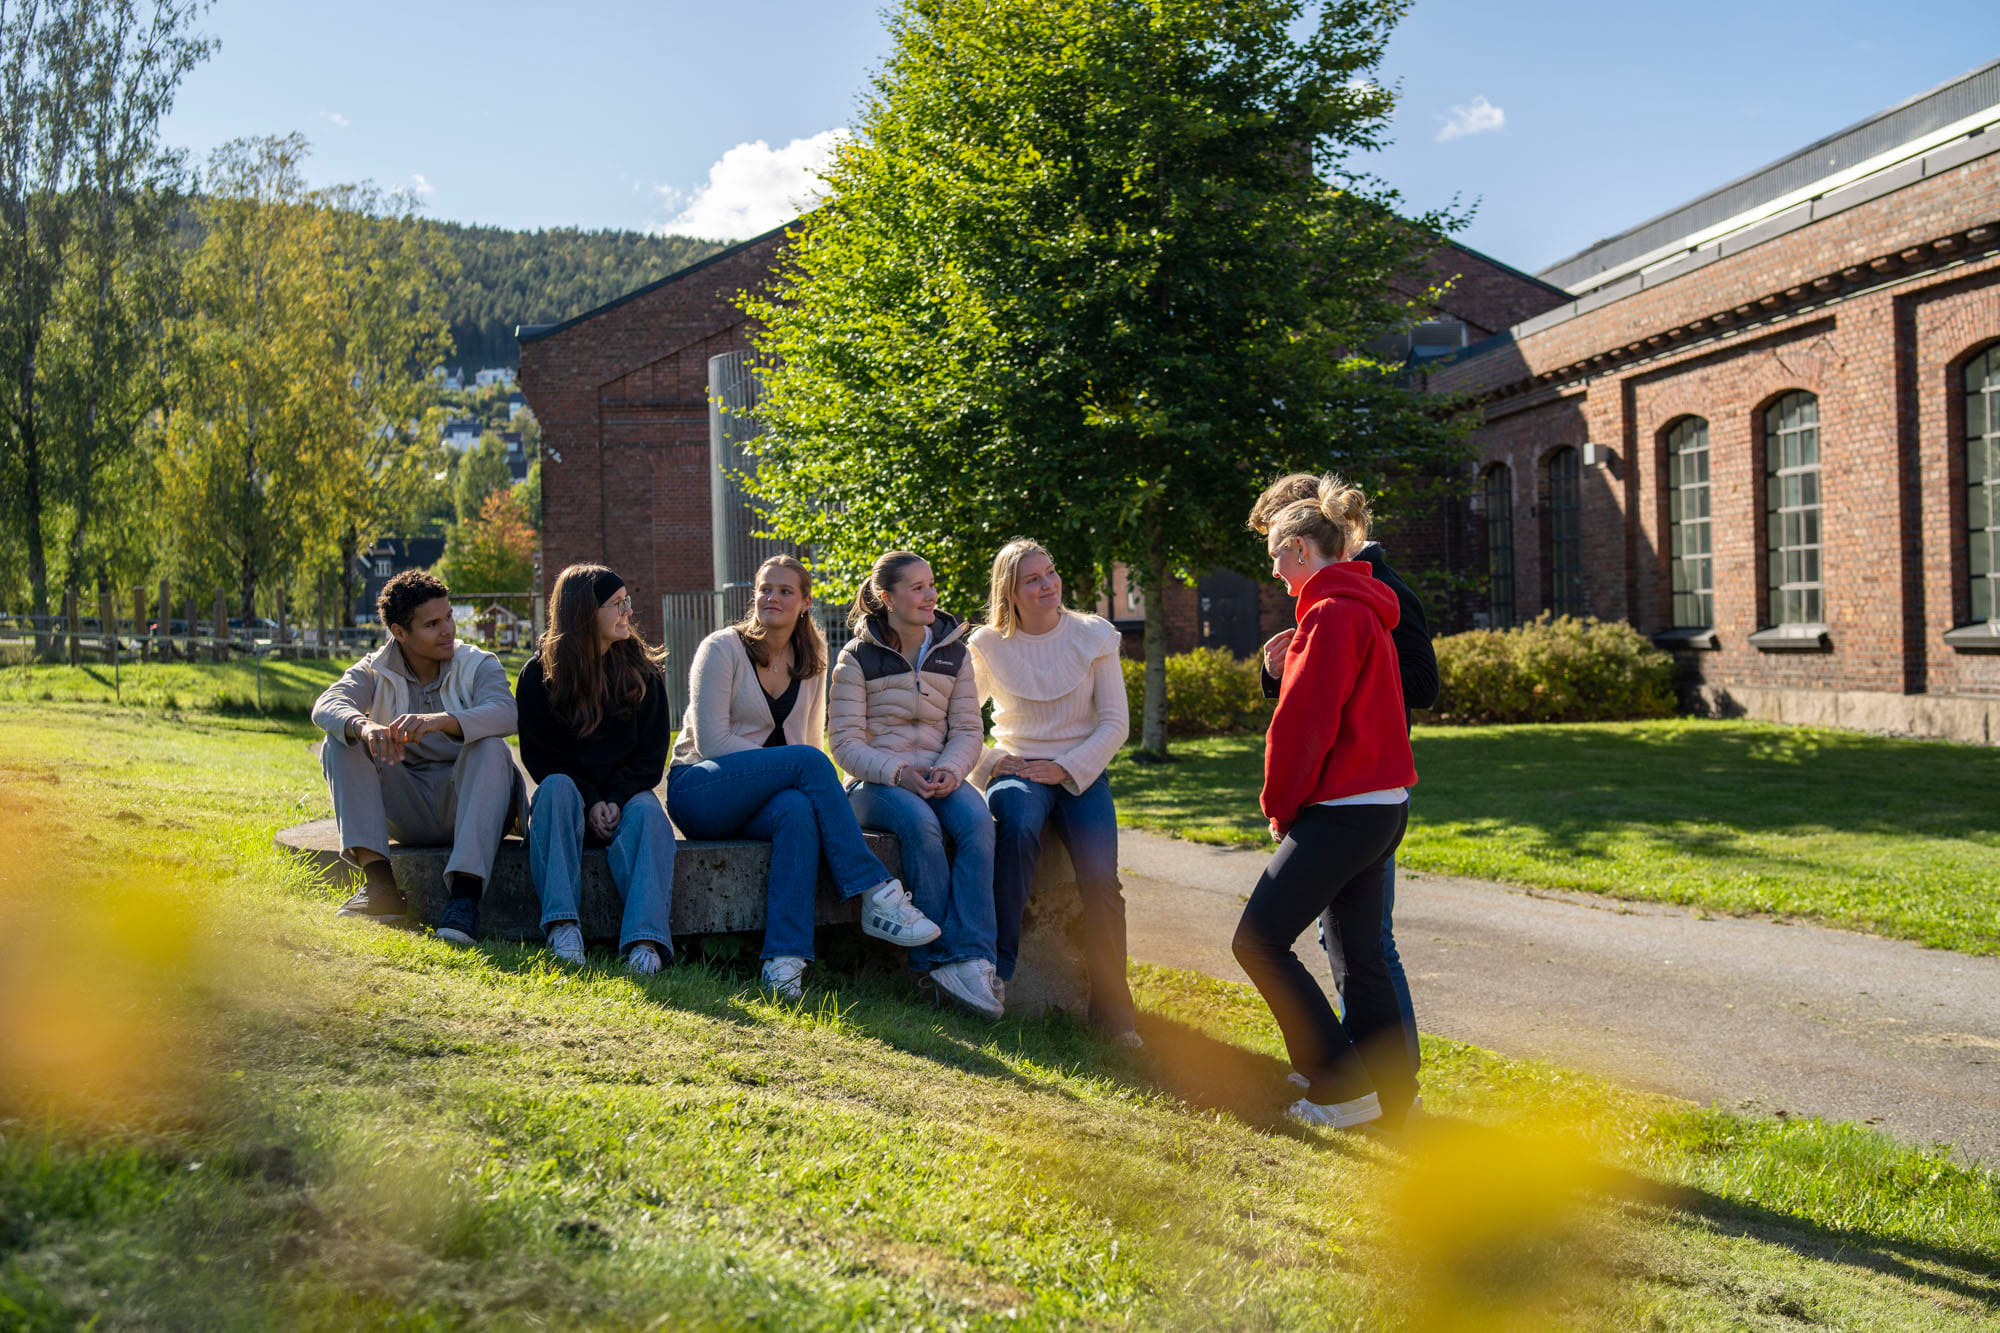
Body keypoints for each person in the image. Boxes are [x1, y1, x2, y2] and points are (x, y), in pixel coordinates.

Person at [665, 554, 940, 999]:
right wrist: (786, 766)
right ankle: (875, 891)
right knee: (808, 764)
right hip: (701, 789)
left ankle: (784, 962)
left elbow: (809, 740)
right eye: (764, 589)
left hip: (768, 800)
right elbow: (714, 742)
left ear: (805, 601)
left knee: (796, 809)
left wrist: (794, 774)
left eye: (785, 591)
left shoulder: (811, 659)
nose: (771, 597)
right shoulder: (721, 648)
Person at [1234, 476, 1418, 1131]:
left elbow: (1303, 728)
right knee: (1361, 949)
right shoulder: (1362, 606)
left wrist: (1281, 810)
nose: (1275, 572)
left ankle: (1341, 1088)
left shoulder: (1330, 614)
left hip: (1343, 809)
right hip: (1381, 803)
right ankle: (1393, 1094)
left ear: (1300, 549)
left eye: (1275, 557)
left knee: (1257, 940)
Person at [969, 539, 1137, 1045]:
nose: (1048, 585)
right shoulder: (986, 645)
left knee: (1101, 880)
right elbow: (956, 727)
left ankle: (1114, 1013)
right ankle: (996, 975)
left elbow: (1114, 723)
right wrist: (996, 762)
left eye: (1051, 573)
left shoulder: (1094, 635)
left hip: (1080, 772)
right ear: (1011, 591)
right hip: (1016, 767)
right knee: (1017, 828)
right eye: (1033, 580)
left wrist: (1063, 767)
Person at [830, 552, 1001, 1020]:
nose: (931, 596)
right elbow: (843, 744)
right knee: (922, 826)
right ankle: (932, 964)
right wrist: (899, 773)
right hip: (876, 783)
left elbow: (969, 729)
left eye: (932, 585)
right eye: (918, 587)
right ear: (887, 598)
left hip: (941, 774)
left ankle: (973, 958)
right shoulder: (855, 657)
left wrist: (951, 769)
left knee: (978, 825)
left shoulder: (953, 651)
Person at [311, 569, 524, 944]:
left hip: (471, 804)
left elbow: (506, 713)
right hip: (408, 806)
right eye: (432, 624)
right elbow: (326, 705)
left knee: (492, 745)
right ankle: (381, 889)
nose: (448, 630)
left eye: (449, 617)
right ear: (399, 632)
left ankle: (464, 901)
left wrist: (442, 721)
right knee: (340, 741)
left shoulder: (478, 664)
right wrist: (365, 727)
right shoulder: (374, 670)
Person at [515, 564, 677, 975]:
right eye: (617, 604)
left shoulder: (642, 671)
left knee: (650, 815)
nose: (628, 612)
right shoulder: (539, 675)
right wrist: (590, 801)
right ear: (585, 612)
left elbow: (650, 756)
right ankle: (563, 927)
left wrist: (616, 799)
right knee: (553, 790)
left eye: (628, 602)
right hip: (570, 800)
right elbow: (541, 756)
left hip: (626, 797)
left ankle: (645, 941)